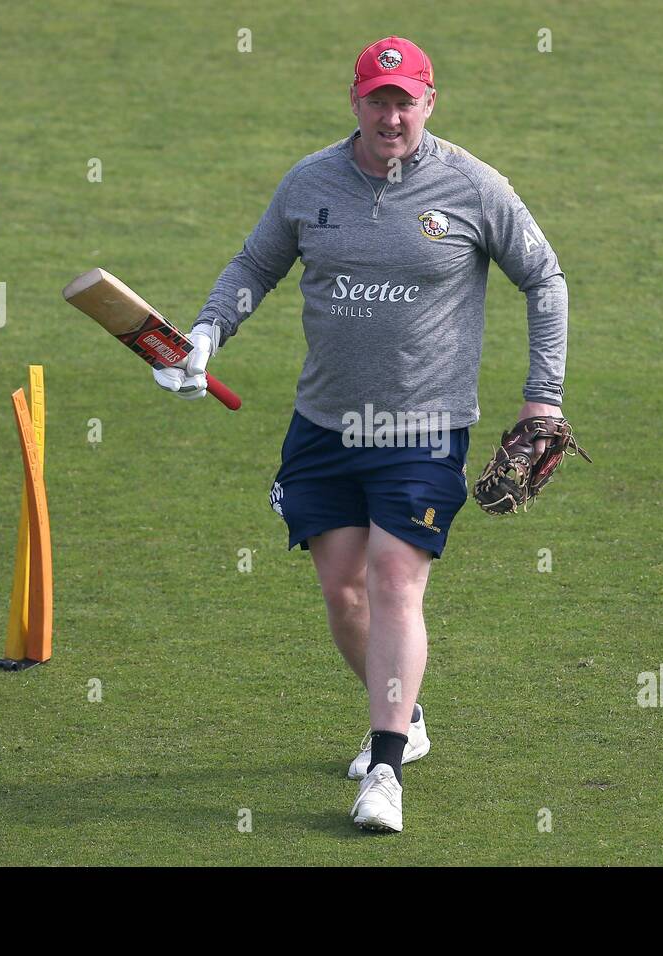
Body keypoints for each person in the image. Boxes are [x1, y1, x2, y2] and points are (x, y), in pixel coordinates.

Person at [154, 36, 569, 833]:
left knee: (392, 579)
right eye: (377, 99)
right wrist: (206, 335)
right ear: (355, 101)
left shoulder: (474, 187)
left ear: (429, 103)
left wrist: (541, 399)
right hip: (324, 424)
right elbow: (254, 266)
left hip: (424, 424)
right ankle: (405, 720)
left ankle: (383, 770)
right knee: (343, 591)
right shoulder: (310, 183)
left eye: (405, 100)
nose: (391, 115)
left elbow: (544, 277)